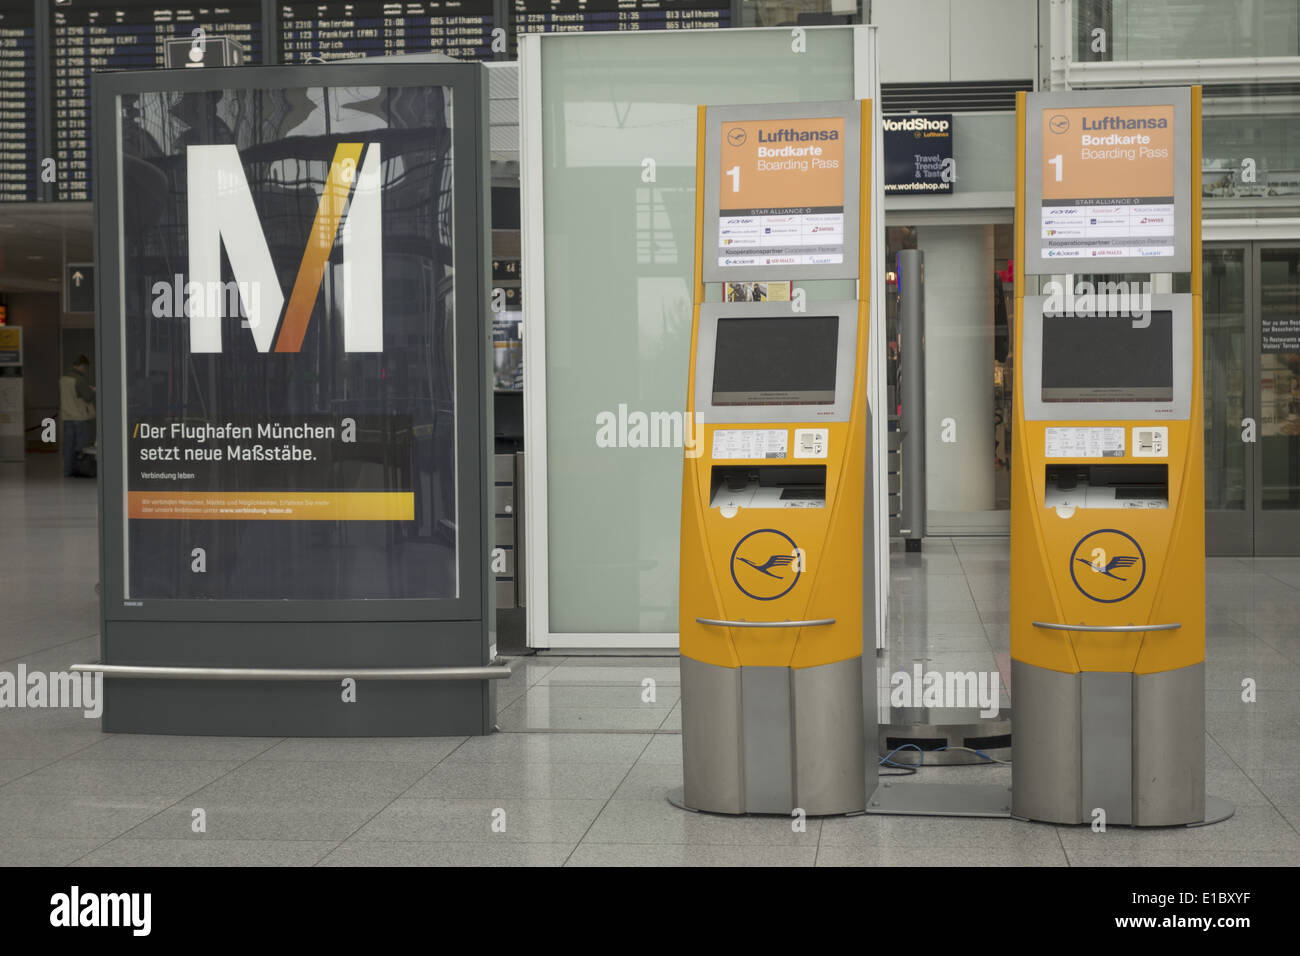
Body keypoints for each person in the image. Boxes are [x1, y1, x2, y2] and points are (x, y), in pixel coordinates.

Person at [59, 354, 95, 477]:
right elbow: (88, 396)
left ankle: (67, 471)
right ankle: (81, 470)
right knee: (82, 446)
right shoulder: (79, 379)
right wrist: (93, 390)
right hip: (79, 417)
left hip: (67, 417)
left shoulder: (63, 379)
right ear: (81, 365)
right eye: (84, 367)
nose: (84, 370)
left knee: (68, 446)